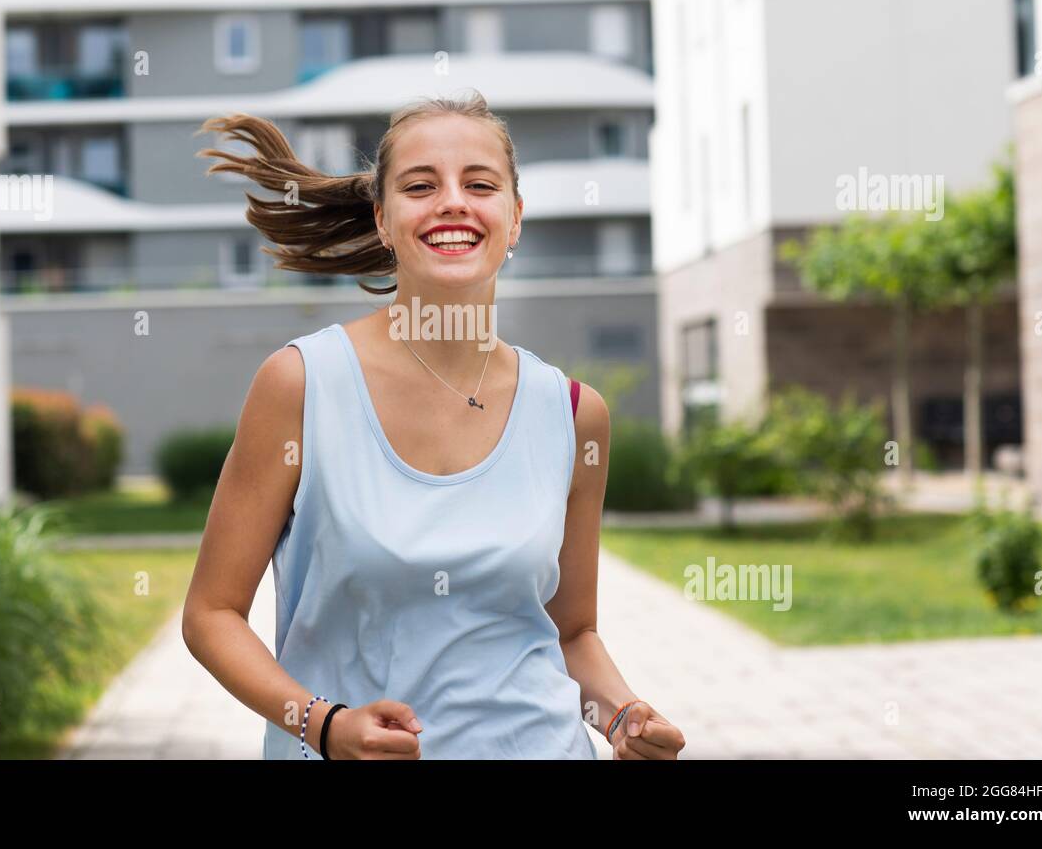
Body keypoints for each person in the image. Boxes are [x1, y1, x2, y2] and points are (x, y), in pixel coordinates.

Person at [180, 90, 685, 760]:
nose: (453, 201)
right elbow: (210, 616)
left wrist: (622, 717)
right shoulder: (302, 385)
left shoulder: (573, 413)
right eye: (422, 186)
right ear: (385, 221)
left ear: (516, 218)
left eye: (480, 184)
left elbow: (571, 636)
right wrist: (323, 726)